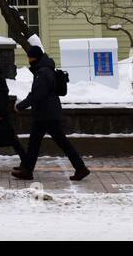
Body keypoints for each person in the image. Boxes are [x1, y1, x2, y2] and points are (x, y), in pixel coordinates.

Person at [11, 45, 90, 182]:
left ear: (34, 57)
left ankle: (81, 168)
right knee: (35, 143)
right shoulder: (44, 69)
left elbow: (38, 94)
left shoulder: (43, 72)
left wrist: (20, 106)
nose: (28, 60)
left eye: (29, 57)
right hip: (45, 113)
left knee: (60, 143)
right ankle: (27, 170)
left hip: (46, 114)